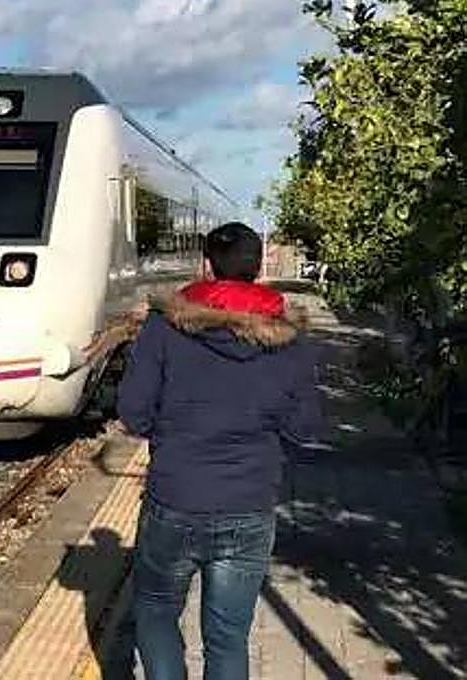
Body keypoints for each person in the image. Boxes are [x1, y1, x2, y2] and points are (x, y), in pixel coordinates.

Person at [115, 222, 325, 680]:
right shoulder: (289, 340)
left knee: (155, 613)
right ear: (258, 270)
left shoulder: (164, 326)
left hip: (175, 498)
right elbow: (306, 428)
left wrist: (171, 433)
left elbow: (133, 412)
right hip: (249, 505)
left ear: (206, 266)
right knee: (228, 637)